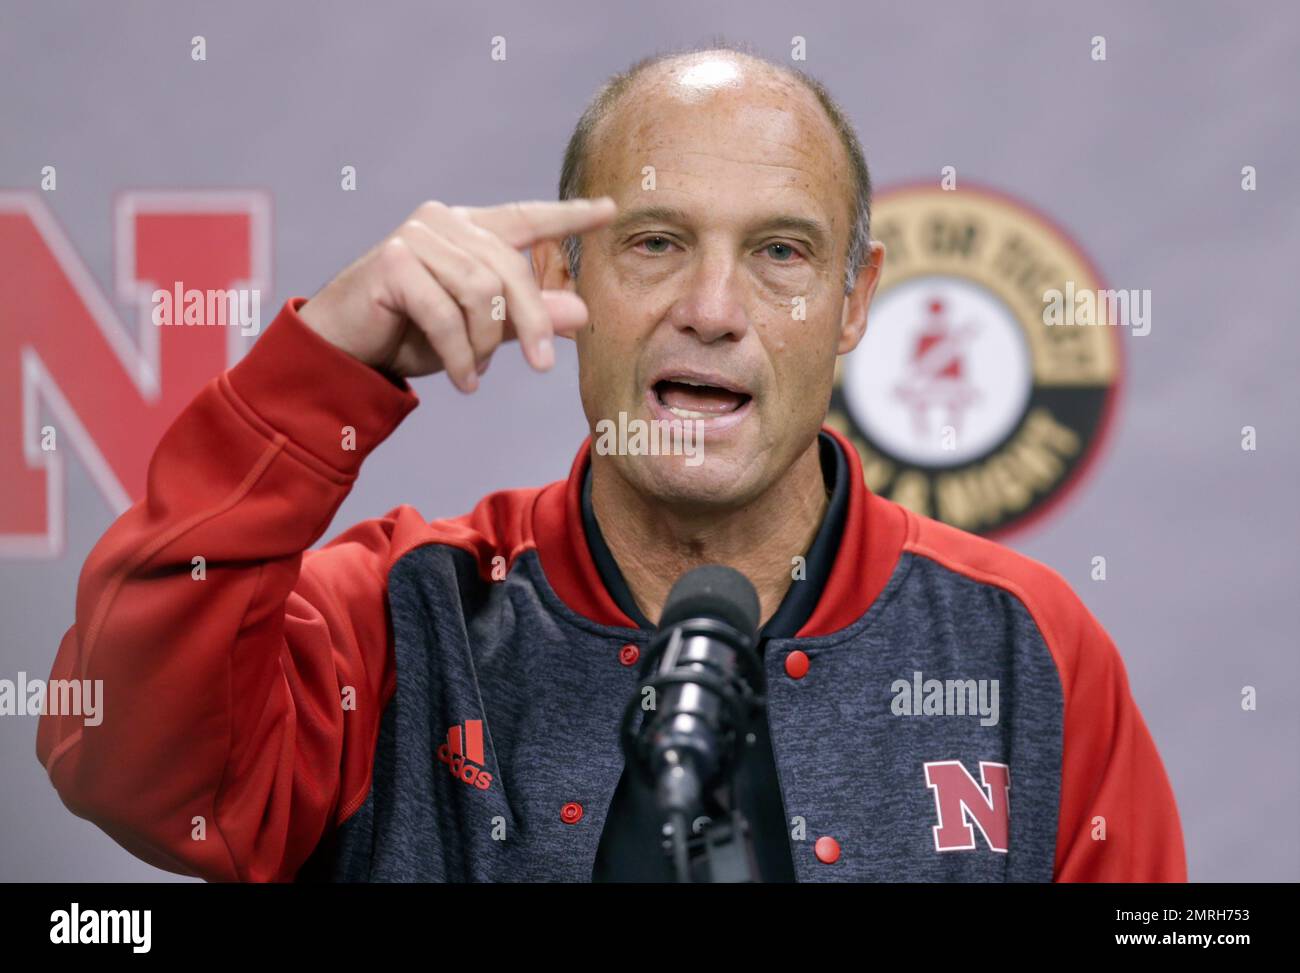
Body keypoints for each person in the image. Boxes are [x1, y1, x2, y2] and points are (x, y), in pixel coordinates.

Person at [36, 44, 1186, 882]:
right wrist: (320, 370)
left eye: (781, 251)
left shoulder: (1023, 641)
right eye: (655, 243)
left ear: (855, 303)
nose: (714, 308)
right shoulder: (400, 613)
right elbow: (136, 772)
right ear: (572, 276)